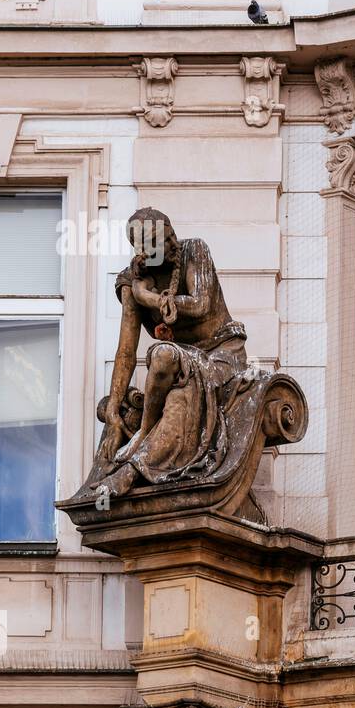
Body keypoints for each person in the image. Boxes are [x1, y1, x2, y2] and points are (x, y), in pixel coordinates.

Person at [92, 208, 250, 497]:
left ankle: (134, 463)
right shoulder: (131, 281)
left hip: (220, 354)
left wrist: (148, 297)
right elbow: (126, 351)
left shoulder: (195, 250)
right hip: (178, 362)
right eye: (159, 241)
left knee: (177, 386)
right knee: (164, 359)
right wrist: (113, 411)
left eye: (169, 235)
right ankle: (143, 439)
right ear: (141, 251)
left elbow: (200, 304)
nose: (171, 242)